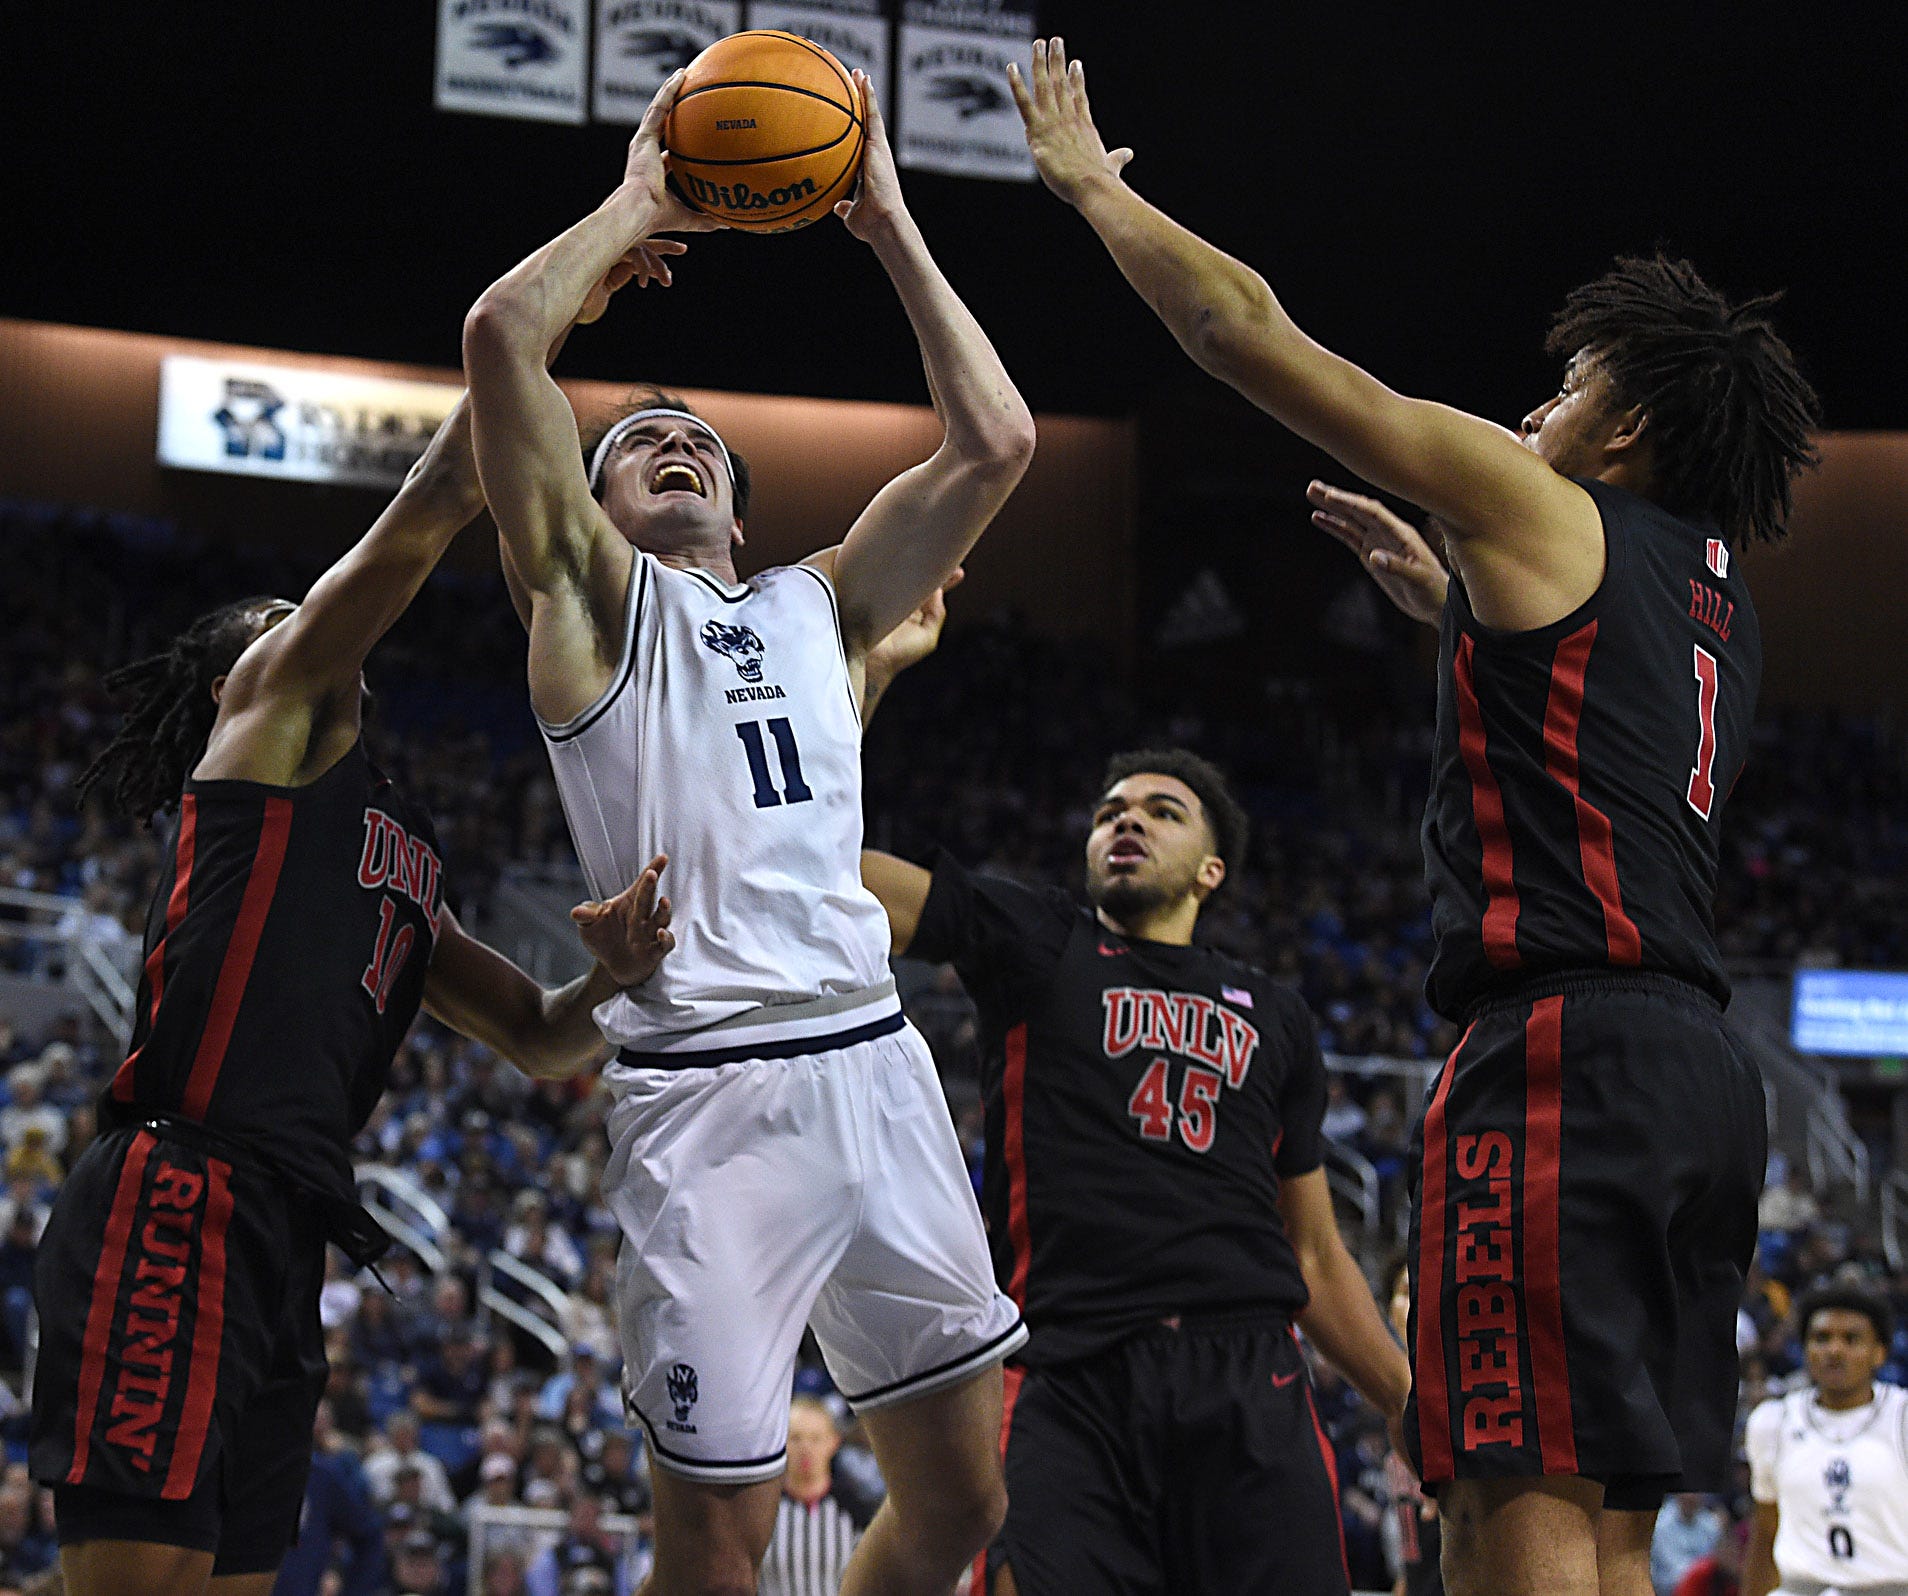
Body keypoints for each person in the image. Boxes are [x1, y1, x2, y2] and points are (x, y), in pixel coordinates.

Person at [1010, 36, 1820, 1596]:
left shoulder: (1545, 509)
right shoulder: (1728, 610)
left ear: (1632, 429)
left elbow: (1244, 333)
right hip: (1704, 1081)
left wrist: (1093, 187)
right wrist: (1458, 613)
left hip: (1563, 1057)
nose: (1538, 403)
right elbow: (1606, 730)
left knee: (1500, 1517)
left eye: (1574, 381)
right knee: (1613, 1529)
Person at [462, 54, 1035, 1596]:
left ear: (740, 495)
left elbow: (996, 444)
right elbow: (504, 337)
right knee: (715, 1547)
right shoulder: (590, 609)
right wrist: (637, 199)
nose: (672, 434)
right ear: (582, 513)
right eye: (631, 439)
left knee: (968, 1503)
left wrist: (890, 221)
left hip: (876, 1061)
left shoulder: (821, 605)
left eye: (694, 433)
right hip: (707, 1097)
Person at [29, 391, 679, 1596]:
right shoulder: (260, 749)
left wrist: (616, 979)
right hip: (184, 1186)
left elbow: (538, 1037)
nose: (319, 631)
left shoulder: (399, 843)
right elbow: (431, 506)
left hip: (288, 1233)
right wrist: (529, 359)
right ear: (239, 683)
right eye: (287, 624)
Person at [859, 704, 1411, 1591]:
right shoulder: (1040, 941)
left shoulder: (1276, 1015)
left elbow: (1311, 1249)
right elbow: (861, 885)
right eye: (1111, 809)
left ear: (1211, 870)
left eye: (1163, 811)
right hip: (1073, 1375)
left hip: (1249, 1376)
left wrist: (1401, 1396)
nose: (1128, 819)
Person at [1743, 1285, 1908, 1596]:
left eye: (1851, 1339)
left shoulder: (1902, 1417)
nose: (1834, 1350)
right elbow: (1765, 1534)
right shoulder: (1773, 1422)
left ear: (1880, 1352)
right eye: (1822, 1338)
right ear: (1805, 1349)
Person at [757, 1398, 867, 1596]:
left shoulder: (856, 1513)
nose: (806, 1448)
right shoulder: (759, 1513)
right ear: (780, 1441)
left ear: (833, 1442)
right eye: (796, 1438)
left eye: (815, 1438)